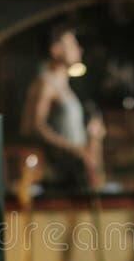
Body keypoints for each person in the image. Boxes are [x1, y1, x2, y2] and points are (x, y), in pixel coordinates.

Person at [20, 23, 106, 191]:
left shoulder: (67, 88)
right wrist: (75, 150)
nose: (79, 49)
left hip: (78, 174)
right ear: (55, 50)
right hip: (60, 179)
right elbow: (35, 127)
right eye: (72, 44)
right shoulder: (46, 83)